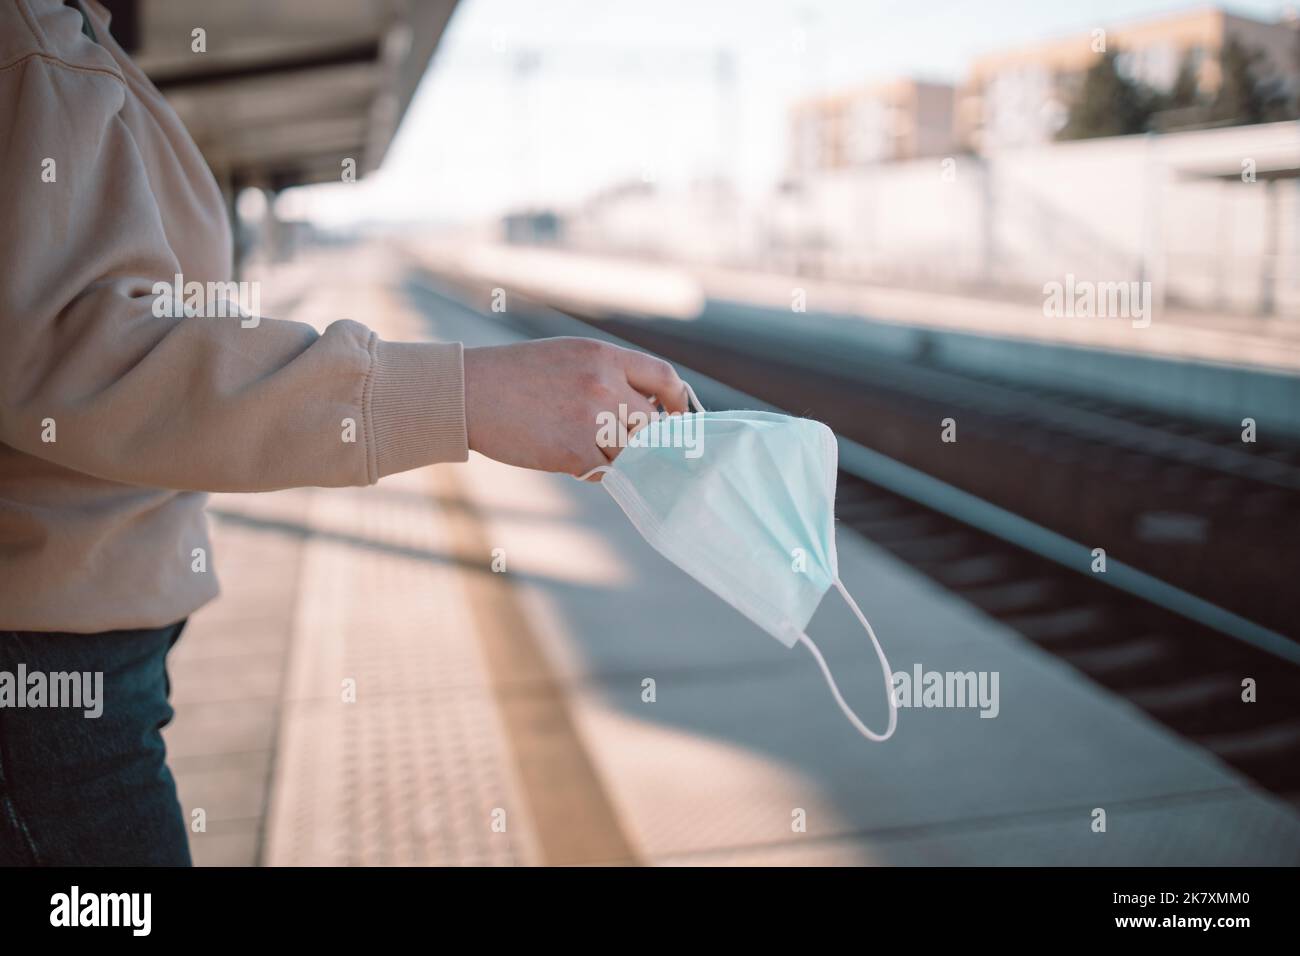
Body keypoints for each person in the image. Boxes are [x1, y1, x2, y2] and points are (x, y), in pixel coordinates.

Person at [0, 0, 688, 865]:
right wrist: (464, 391)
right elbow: (84, 355)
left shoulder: (68, 38)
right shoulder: (27, 42)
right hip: (45, 692)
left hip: (87, 665)